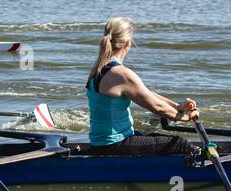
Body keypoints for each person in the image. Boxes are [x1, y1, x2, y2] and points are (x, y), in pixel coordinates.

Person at [85, 16, 198, 154]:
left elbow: (147, 94)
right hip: (113, 144)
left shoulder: (99, 68)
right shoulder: (121, 74)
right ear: (128, 43)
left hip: (105, 142)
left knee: (154, 138)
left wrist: (177, 107)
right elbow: (157, 107)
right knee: (180, 144)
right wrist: (184, 117)